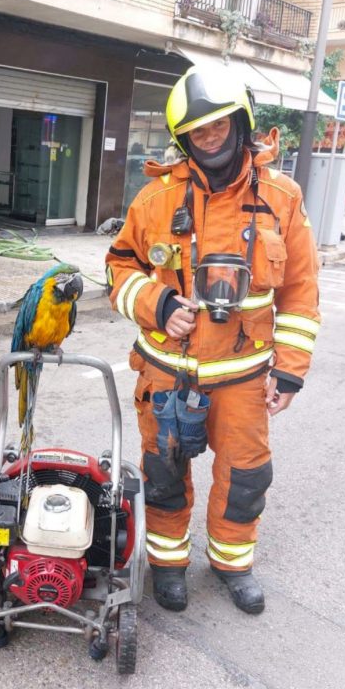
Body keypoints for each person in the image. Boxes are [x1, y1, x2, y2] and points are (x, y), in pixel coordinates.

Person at [105, 65, 319, 616]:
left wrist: (290, 368)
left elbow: (299, 288)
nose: (210, 138)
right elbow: (119, 267)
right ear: (184, 139)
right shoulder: (155, 200)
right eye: (198, 131)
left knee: (246, 476)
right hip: (166, 373)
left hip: (244, 377)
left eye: (219, 125)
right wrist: (159, 305)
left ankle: (231, 563)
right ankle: (168, 566)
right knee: (164, 475)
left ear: (240, 122)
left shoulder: (282, 197)